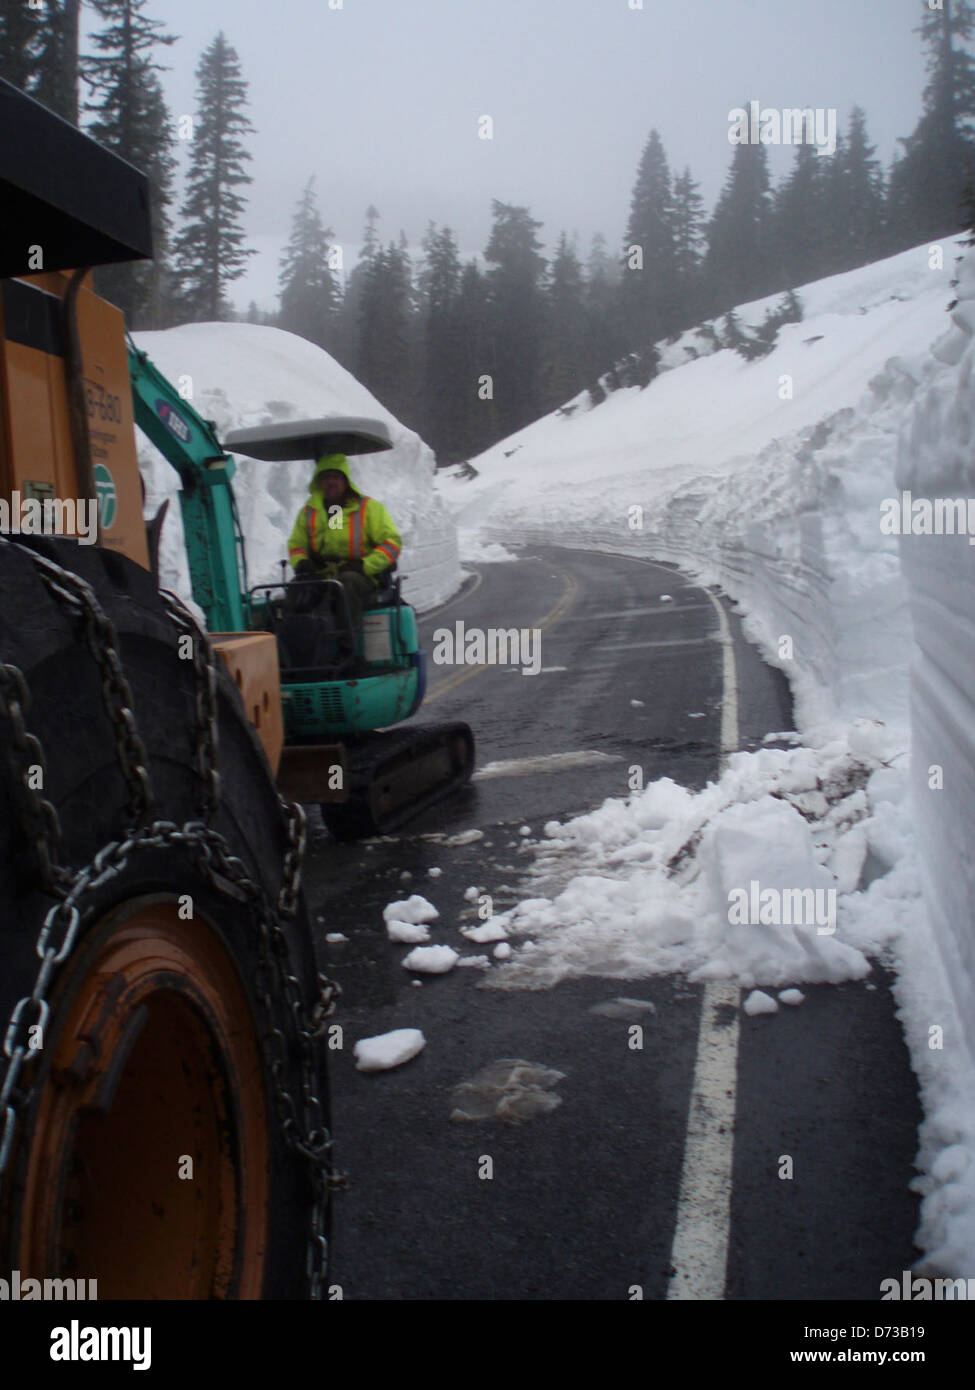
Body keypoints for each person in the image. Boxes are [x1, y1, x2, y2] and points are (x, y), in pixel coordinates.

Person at [286, 453, 402, 648]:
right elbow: (297, 545)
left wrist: (364, 565)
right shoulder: (316, 511)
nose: (331, 482)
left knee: (346, 583)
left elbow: (392, 543)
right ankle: (295, 652)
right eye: (326, 477)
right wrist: (303, 563)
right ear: (319, 481)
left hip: (362, 578)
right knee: (296, 590)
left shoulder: (368, 508)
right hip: (324, 577)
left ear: (346, 481)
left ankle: (346, 648)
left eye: (336, 477)